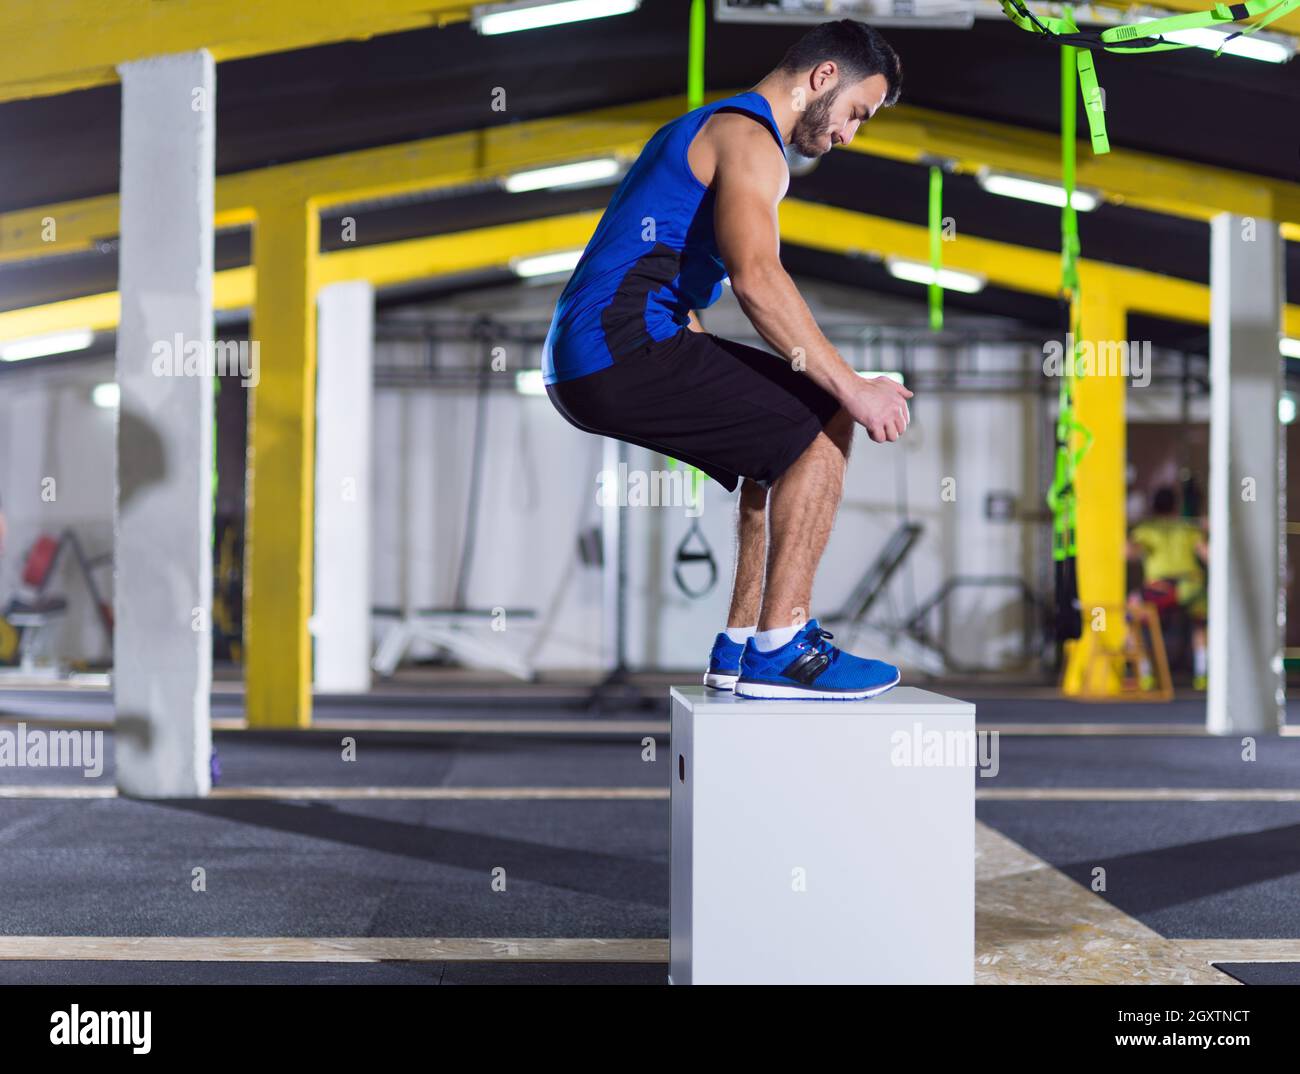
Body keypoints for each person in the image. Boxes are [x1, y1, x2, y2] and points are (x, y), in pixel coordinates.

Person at [543, 20, 909, 699]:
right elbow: (757, 280)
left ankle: (741, 641)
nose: (848, 135)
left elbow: (659, 268)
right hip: (617, 348)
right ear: (823, 77)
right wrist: (854, 389)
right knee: (827, 414)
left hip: (592, 355)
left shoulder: (701, 129)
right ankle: (784, 648)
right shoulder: (750, 141)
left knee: (776, 433)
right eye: (856, 113)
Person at [1127, 485, 1209, 690]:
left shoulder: (1146, 530)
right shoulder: (1189, 529)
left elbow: (1127, 553)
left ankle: (1145, 674)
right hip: (1191, 588)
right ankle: (1203, 673)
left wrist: (1129, 534)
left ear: (1153, 507)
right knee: (1201, 624)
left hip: (1160, 590)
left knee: (1130, 613)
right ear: (1176, 507)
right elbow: (1209, 556)